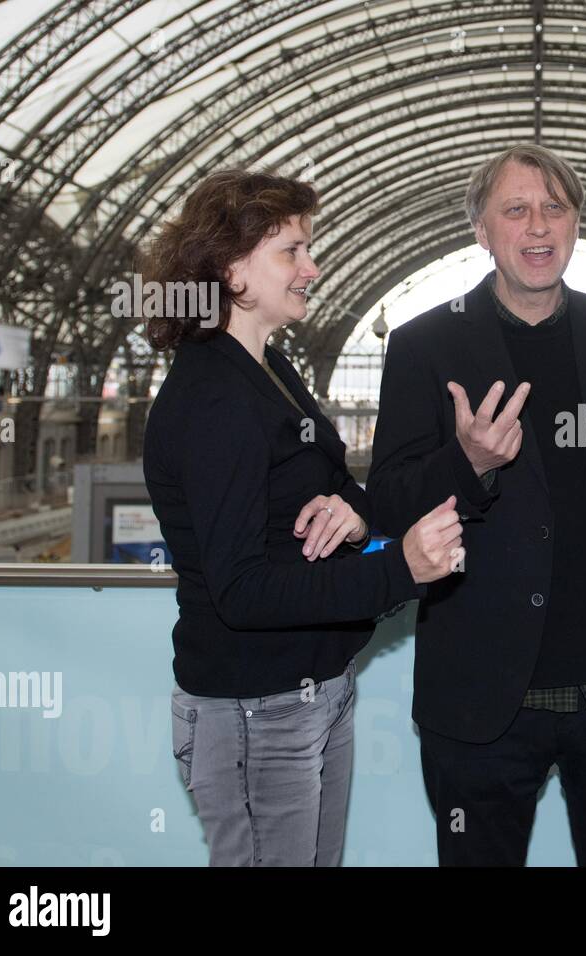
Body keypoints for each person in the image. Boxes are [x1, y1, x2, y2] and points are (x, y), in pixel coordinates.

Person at [366, 145, 586, 866]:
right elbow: (390, 504)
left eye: (556, 207)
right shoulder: (424, 346)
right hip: (480, 707)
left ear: (577, 224)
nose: (539, 226)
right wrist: (470, 465)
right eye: (515, 209)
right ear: (481, 232)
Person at [142, 169, 461, 866]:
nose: (311, 269)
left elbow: (332, 489)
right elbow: (242, 592)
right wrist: (398, 569)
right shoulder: (215, 401)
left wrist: (352, 511)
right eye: (291, 251)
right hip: (256, 710)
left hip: (309, 691)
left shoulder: (270, 369)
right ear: (231, 271)